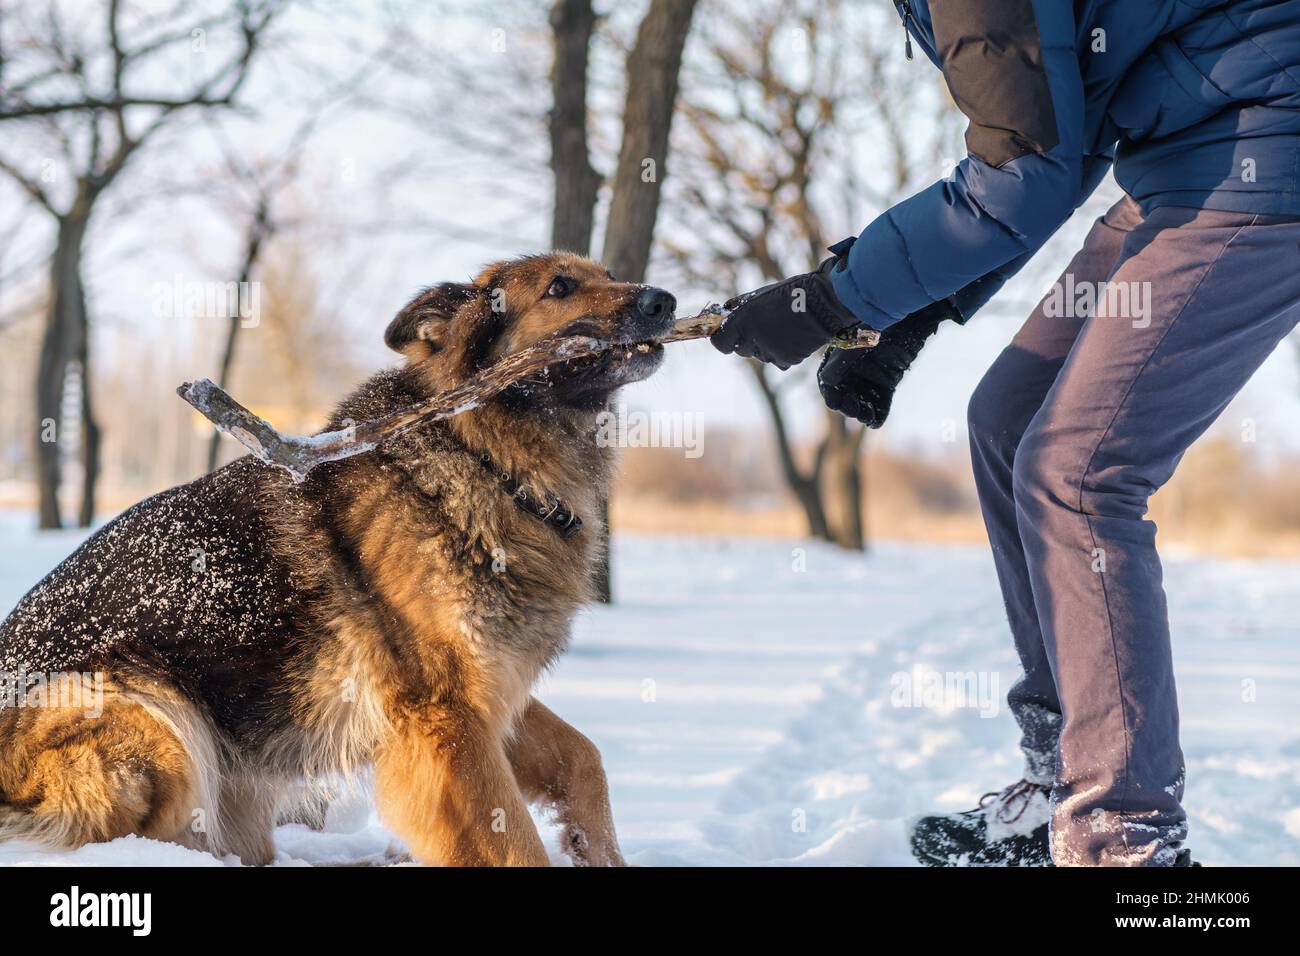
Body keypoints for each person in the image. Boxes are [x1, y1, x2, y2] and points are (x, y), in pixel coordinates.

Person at [711, 0, 1300, 867]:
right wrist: (912, 309)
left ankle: (1125, 840)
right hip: (1186, 159)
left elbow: (1025, 174)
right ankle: (1067, 778)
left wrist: (829, 302)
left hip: (1264, 157)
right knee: (1007, 422)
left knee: (1078, 469)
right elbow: (1064, 130)